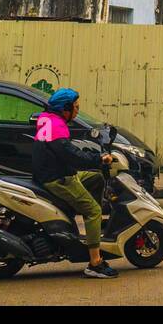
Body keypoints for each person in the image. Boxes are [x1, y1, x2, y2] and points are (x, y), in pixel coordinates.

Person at [33, 88, 117, 279]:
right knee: (94, 210)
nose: (78, 111)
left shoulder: (47, 119)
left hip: (54, 173)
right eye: (76, 107)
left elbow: (66, 151)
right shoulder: (57, 126)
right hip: (58, 179)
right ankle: (95, 263)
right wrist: (99, 158)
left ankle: (92, 226)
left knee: (95, 178)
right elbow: (71, 155)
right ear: (65, 109)